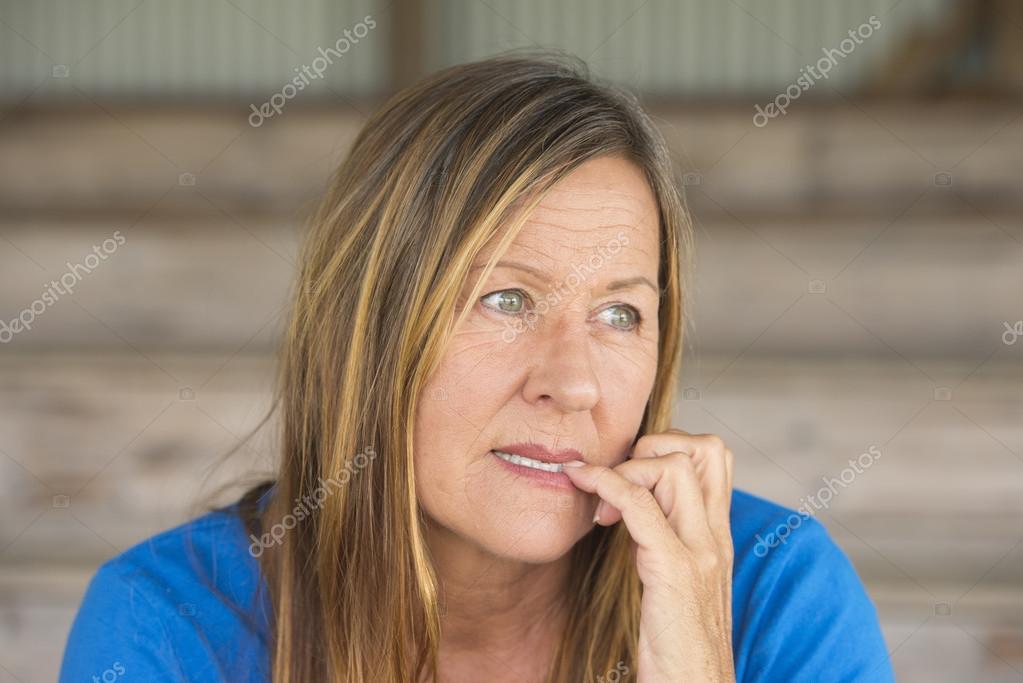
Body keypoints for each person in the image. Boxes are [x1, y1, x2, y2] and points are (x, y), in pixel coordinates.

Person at [60, 54, 894, 682]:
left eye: (618, 313)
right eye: (504, 299)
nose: (572, 383)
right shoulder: (167, 619)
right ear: (367, 323)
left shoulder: (772, 586)